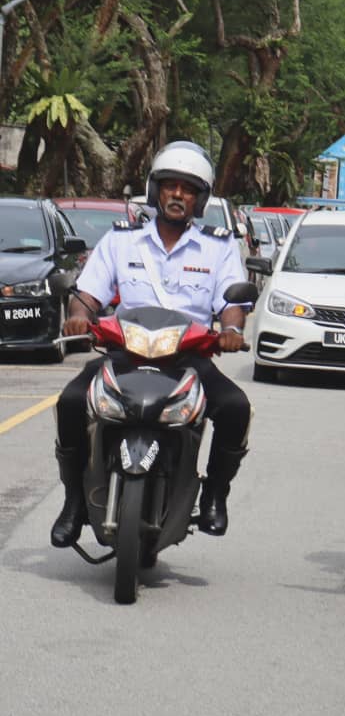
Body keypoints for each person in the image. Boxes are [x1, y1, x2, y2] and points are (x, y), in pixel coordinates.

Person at [51, 141, 252, 546]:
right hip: (125, 355)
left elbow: (233, 302)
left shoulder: (219, 246)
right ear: (155, 189)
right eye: (170, 186)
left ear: (200, 199)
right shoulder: (122, 241)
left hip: (188, 358)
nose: (178, 194)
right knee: (70, 402)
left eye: (189, 189)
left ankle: (215, 494)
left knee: (235, 408)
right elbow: (88, 294)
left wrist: (232, 330)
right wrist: (78, 315)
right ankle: (73, 502)